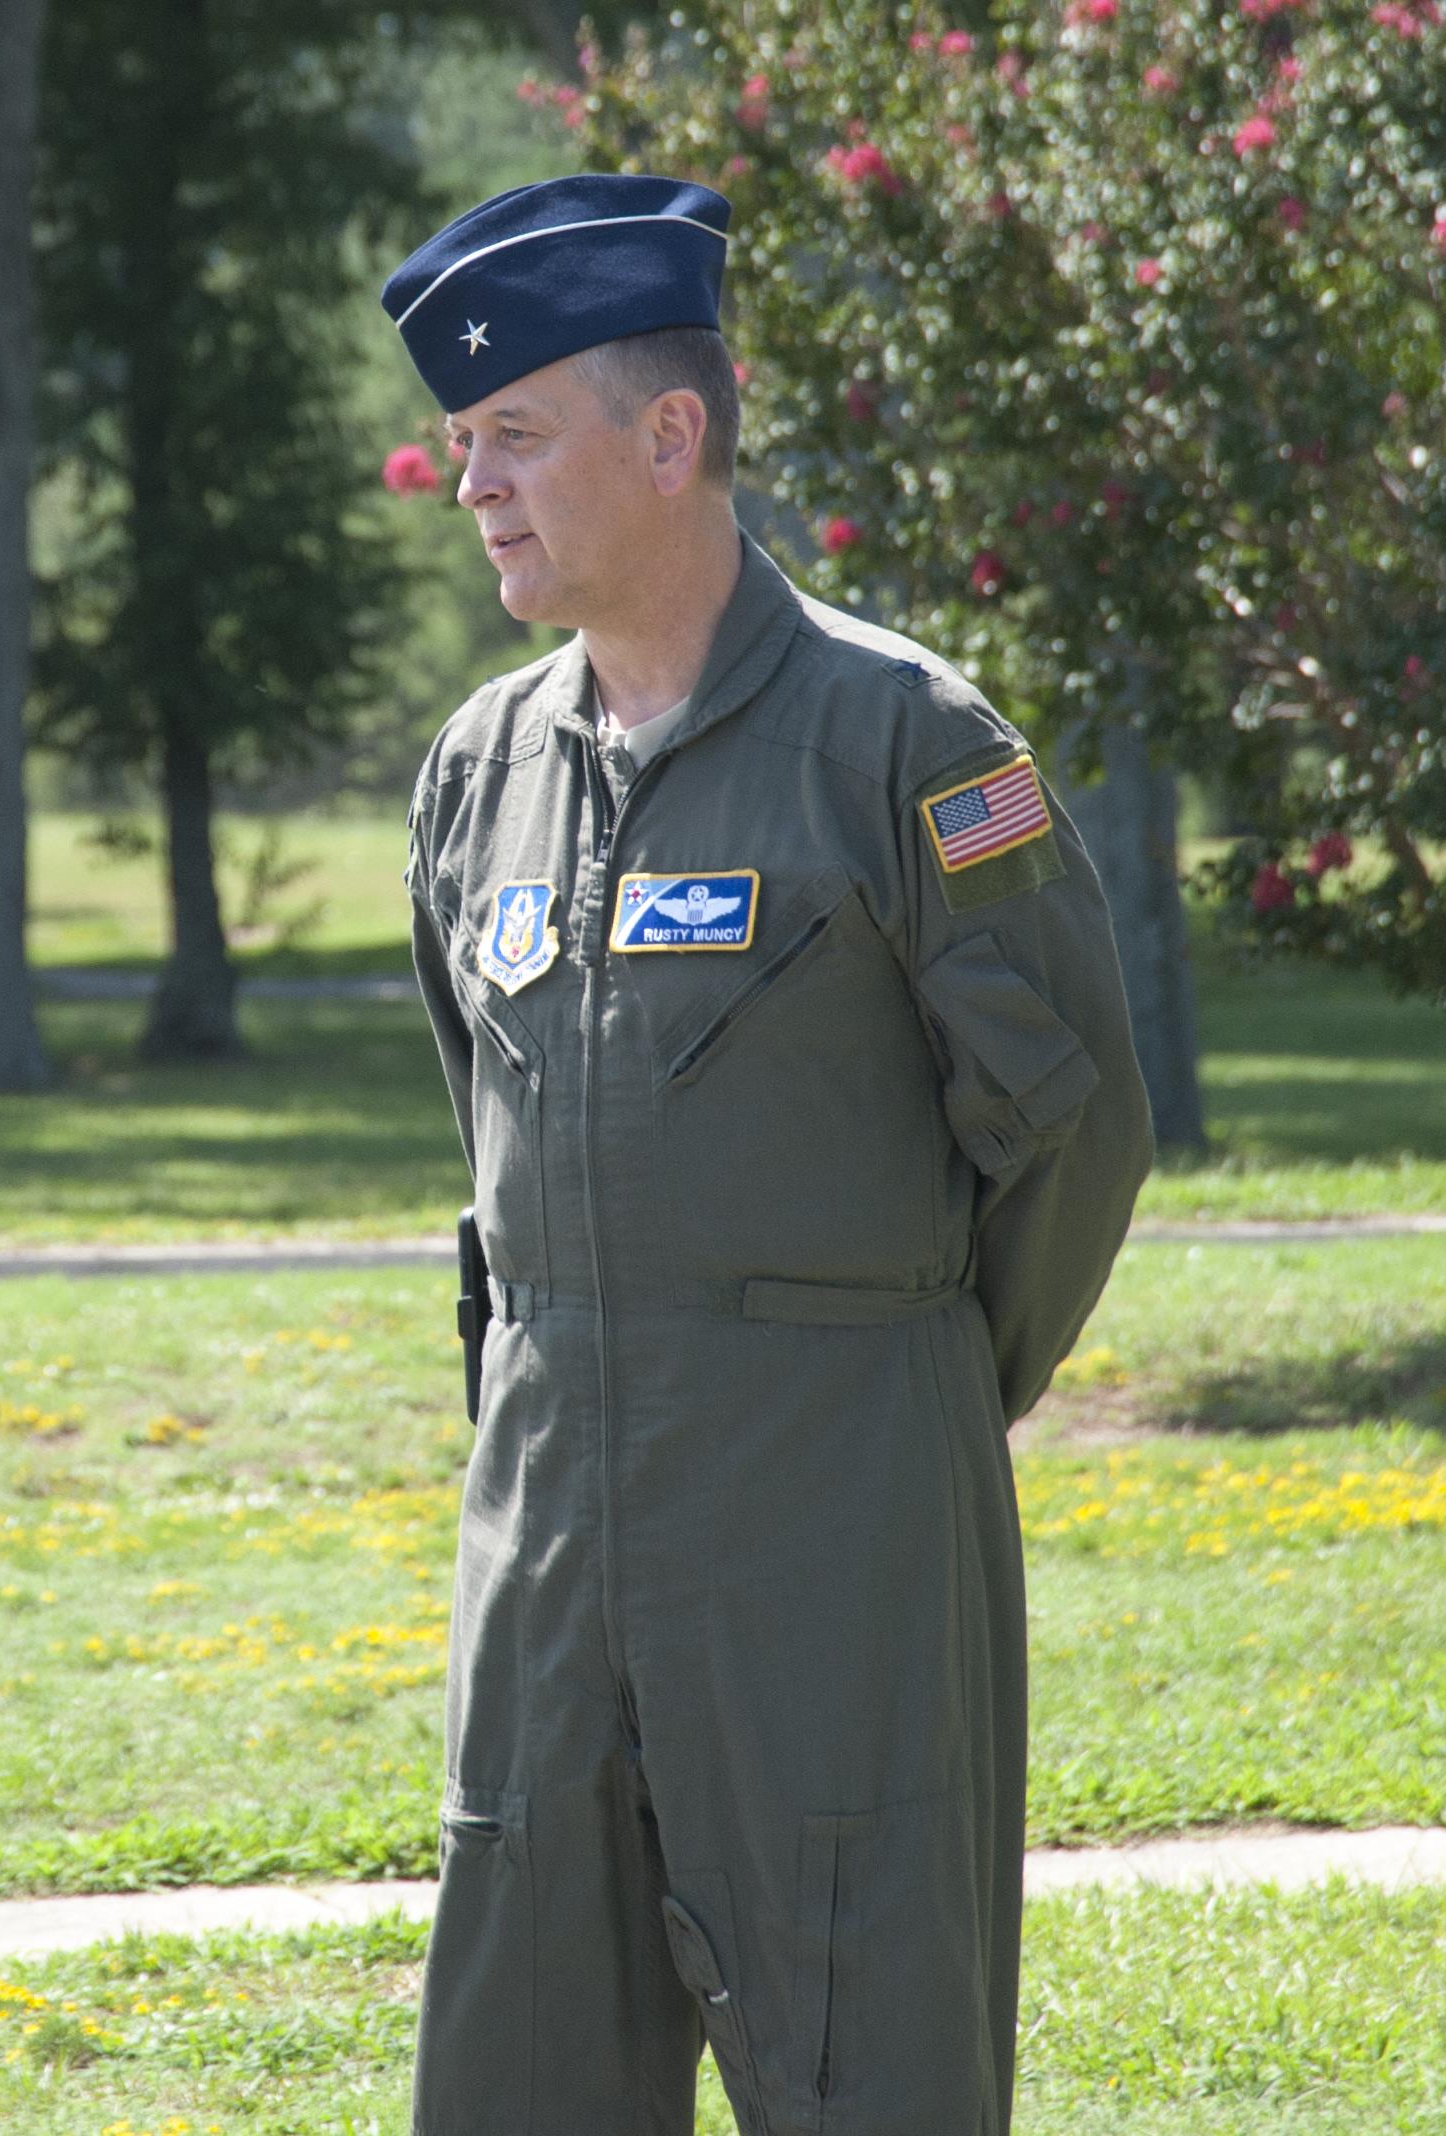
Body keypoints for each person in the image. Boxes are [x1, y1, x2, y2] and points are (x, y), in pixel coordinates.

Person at [382, 176, 1154, 2134]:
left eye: (514, 435)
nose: (470, 482)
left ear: (669, 436)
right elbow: (484, 1123)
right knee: (519, 2061)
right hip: (544, 1530)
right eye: (461, 441)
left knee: (863, 2049)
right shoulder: (479, 766)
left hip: (831, 1523)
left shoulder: (908, 745)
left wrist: (889, 1386)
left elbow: (1065, 1127)